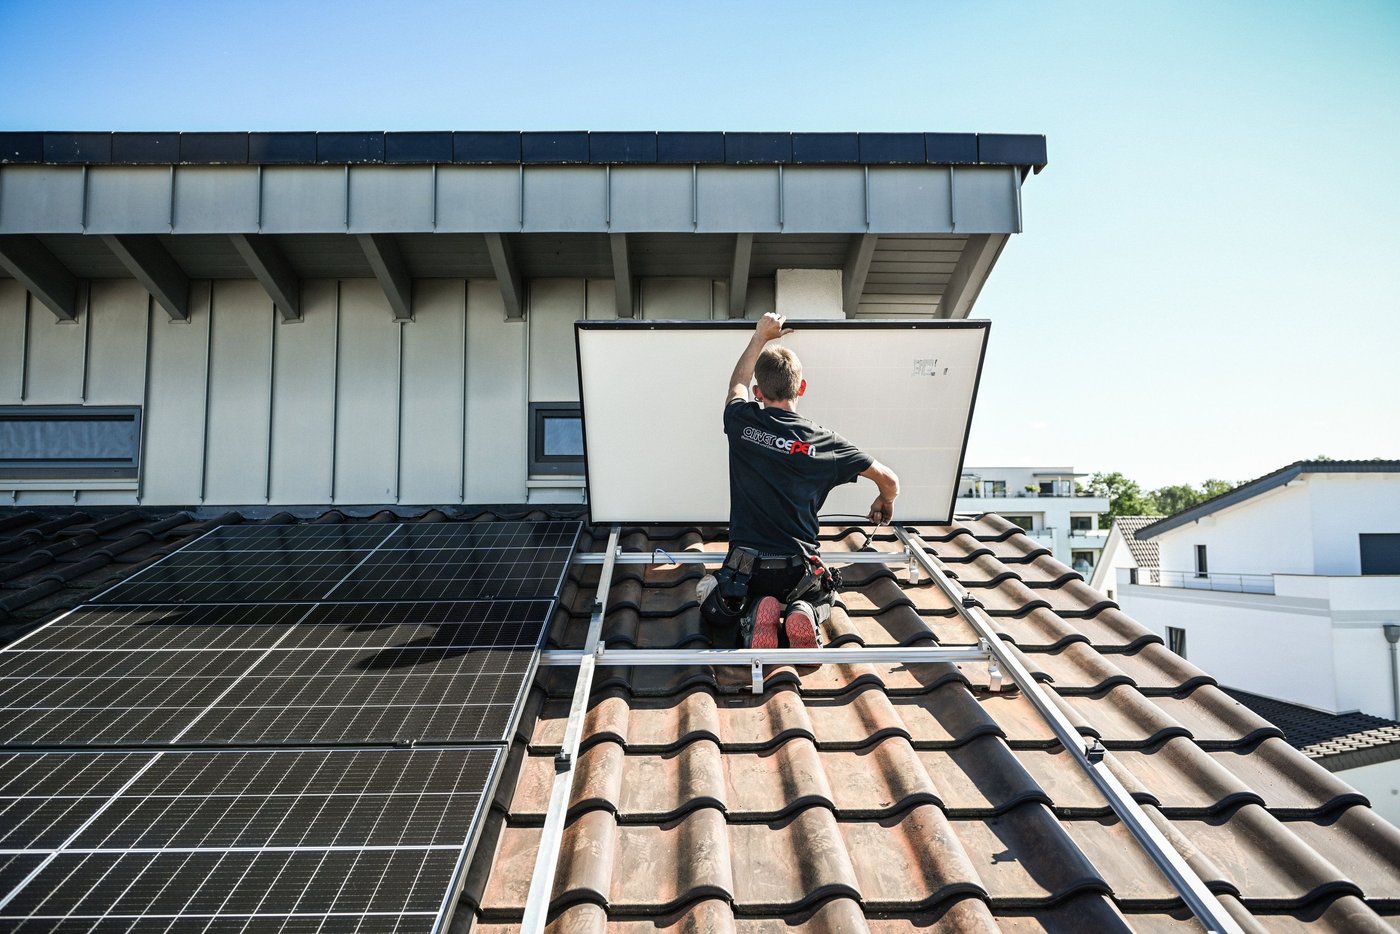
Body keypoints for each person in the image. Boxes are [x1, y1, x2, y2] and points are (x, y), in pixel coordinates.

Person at [699, 313, 901, 650]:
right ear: (802, 388)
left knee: (711, 598)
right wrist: (885, 499)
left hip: (747, 569)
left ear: (758, 392)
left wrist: (760, 336)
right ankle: (803, 610)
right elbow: (890, 479)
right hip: (798, 570)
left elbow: (737, 383)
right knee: (827, 597)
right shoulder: (828, 443)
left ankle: (754, 611)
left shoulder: (741, 422)